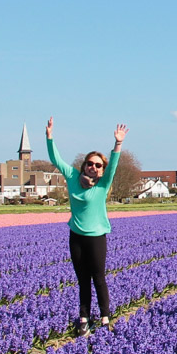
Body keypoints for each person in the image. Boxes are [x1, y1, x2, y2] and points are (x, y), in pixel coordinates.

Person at [47, 116, 127, 335]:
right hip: (76, 235)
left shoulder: (102, 185)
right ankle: (83, 319)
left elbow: (114, 165)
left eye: (97, 165)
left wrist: (117, 144)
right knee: (82, 280)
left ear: (101, 170)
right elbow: (56, 160)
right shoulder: (73, 177)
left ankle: (104, 319)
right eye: (90, 163)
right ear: (84, 165)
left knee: (99, 279)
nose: (93, 167)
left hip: (96, 237)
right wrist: (50, 137)